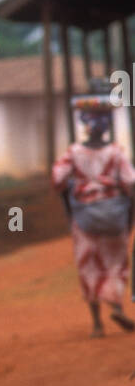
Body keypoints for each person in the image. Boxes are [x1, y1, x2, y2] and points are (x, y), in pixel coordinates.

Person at [51, 90, 135, 337]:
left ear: (84, 125)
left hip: (84, 218)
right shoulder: (117, 153)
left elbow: (57, 180)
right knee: (115, 263)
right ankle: (117, 307)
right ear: (106, 126)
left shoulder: (74, 153)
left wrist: (71, 199)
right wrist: (129, 218)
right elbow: (131, 185)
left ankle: (97, 325)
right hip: (114, 216)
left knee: (88, 266)